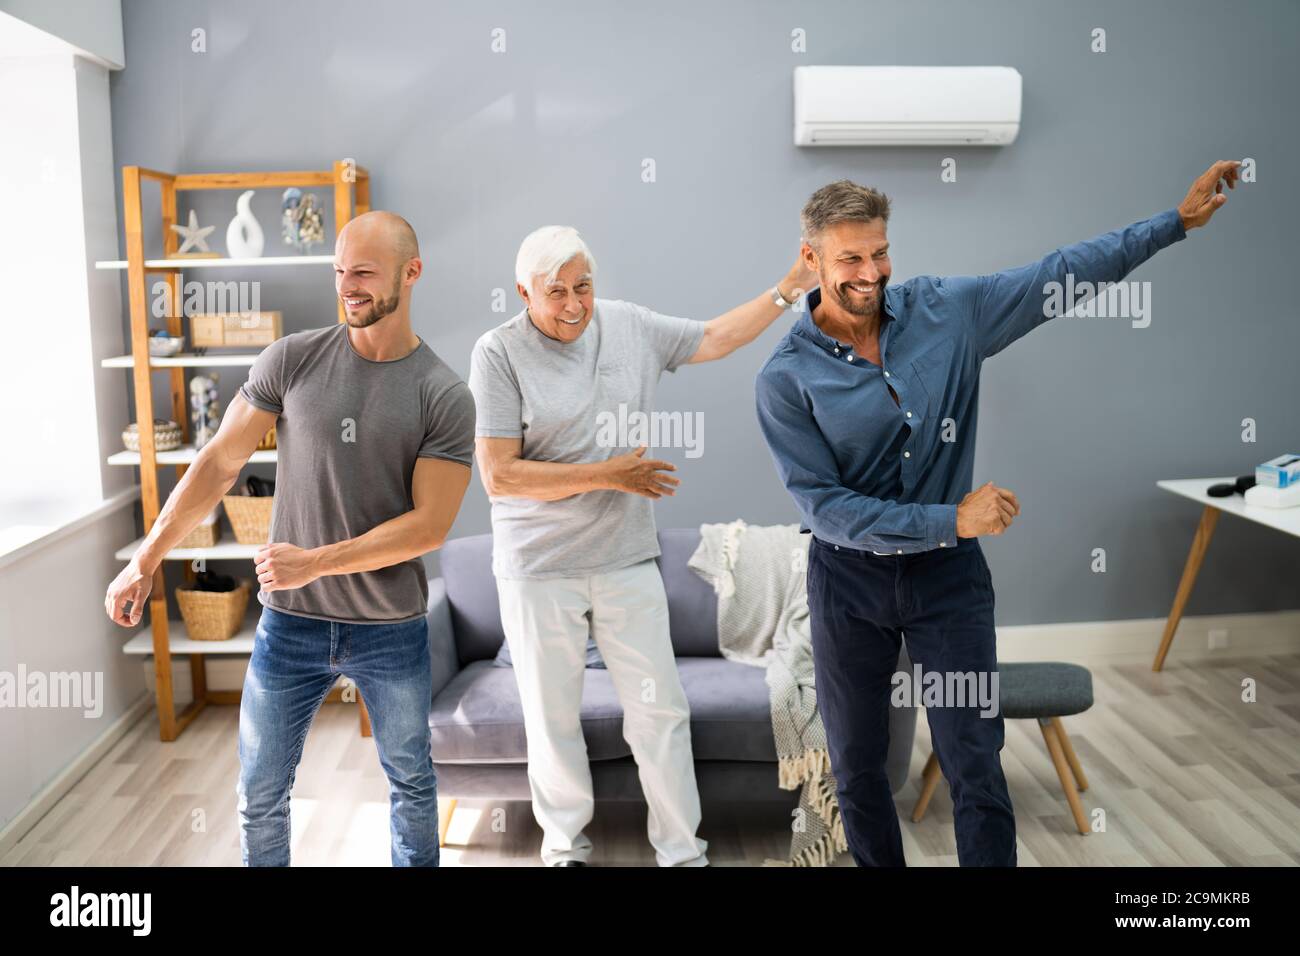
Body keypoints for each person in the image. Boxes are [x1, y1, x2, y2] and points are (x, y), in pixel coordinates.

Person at [755, 161, 1239, 866]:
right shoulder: (786, 377)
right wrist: (950, 518)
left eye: (881, 251)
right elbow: (828, 510)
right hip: (849, 587)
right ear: (811, 259)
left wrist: (1173, 224)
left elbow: (1059, 274)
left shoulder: (948, 312)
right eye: (851, 258)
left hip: (947, 585)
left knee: (975, 762)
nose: (871, 271)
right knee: (858, 771)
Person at [105, 211, 477, 867]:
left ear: (411, 272)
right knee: (259, 792)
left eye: (362, 272)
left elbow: (430, 525)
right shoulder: (293, 360)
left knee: (411, 786)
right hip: (291, 627)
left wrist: (315, 563)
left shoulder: (441, 394)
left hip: (390, 626)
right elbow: (219, 463)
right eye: (339, 271)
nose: (347, 286)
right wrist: (147, 557)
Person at [468, 224, 815, 866]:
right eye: (556, 293)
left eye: (584, 287)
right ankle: (565, 847)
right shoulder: (498, 352)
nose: (574, 305)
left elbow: (713, 337)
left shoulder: (627, 326)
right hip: (538, 569)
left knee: (660, 712)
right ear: (523, 293)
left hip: (625, 560)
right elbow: (500, 474)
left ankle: (682, 851)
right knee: (553, 719)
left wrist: (788, 288)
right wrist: (607, 474)